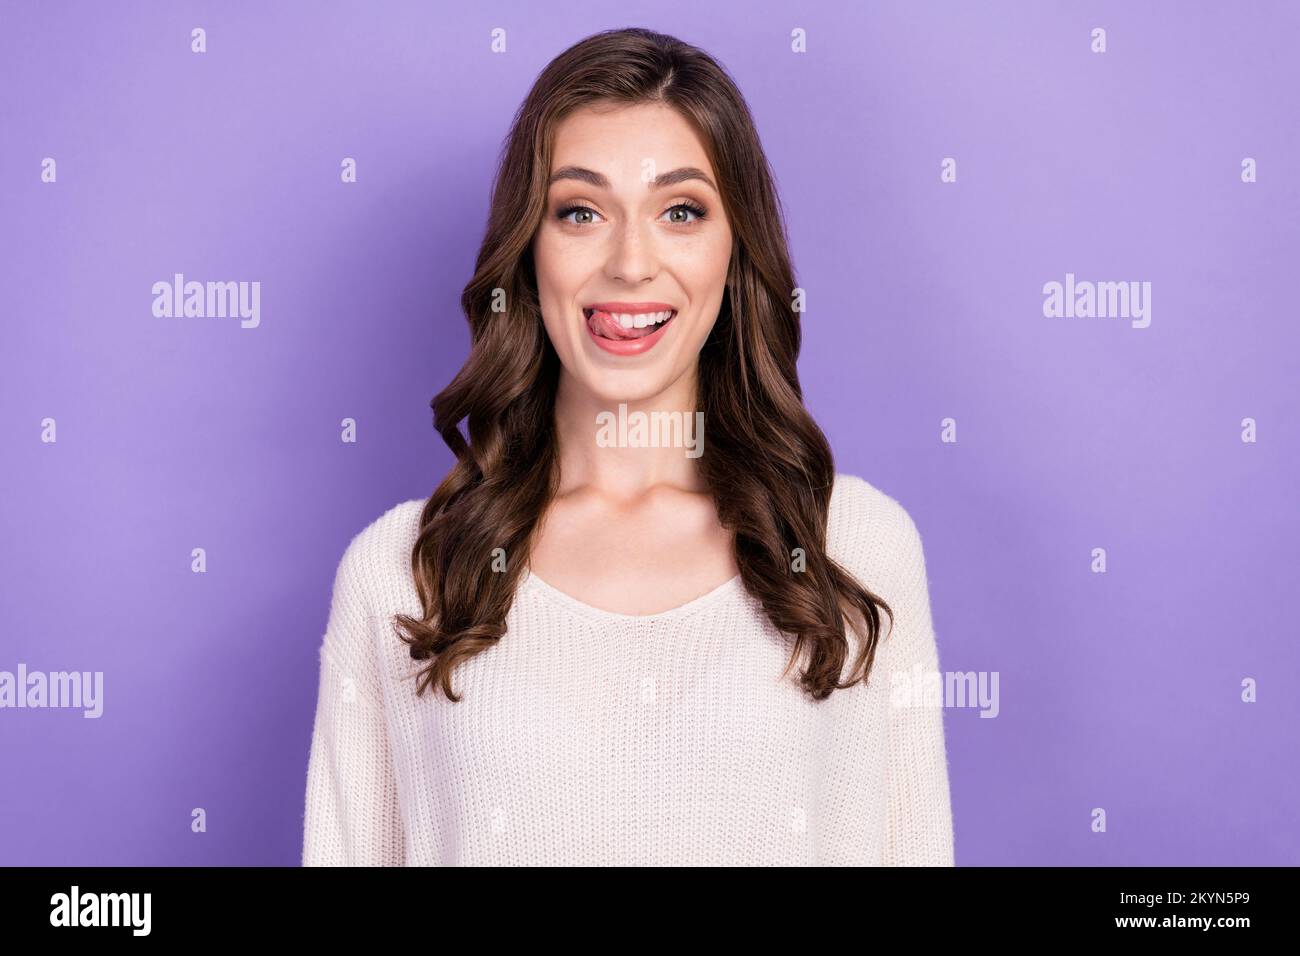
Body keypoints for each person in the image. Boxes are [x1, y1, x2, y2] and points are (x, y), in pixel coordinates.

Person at [302, 26, 954, 866]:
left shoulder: (855, 550)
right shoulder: (402, 571)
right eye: (580, 211)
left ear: (735, 248)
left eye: (680, 210)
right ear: (529, 252)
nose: (630, 263)